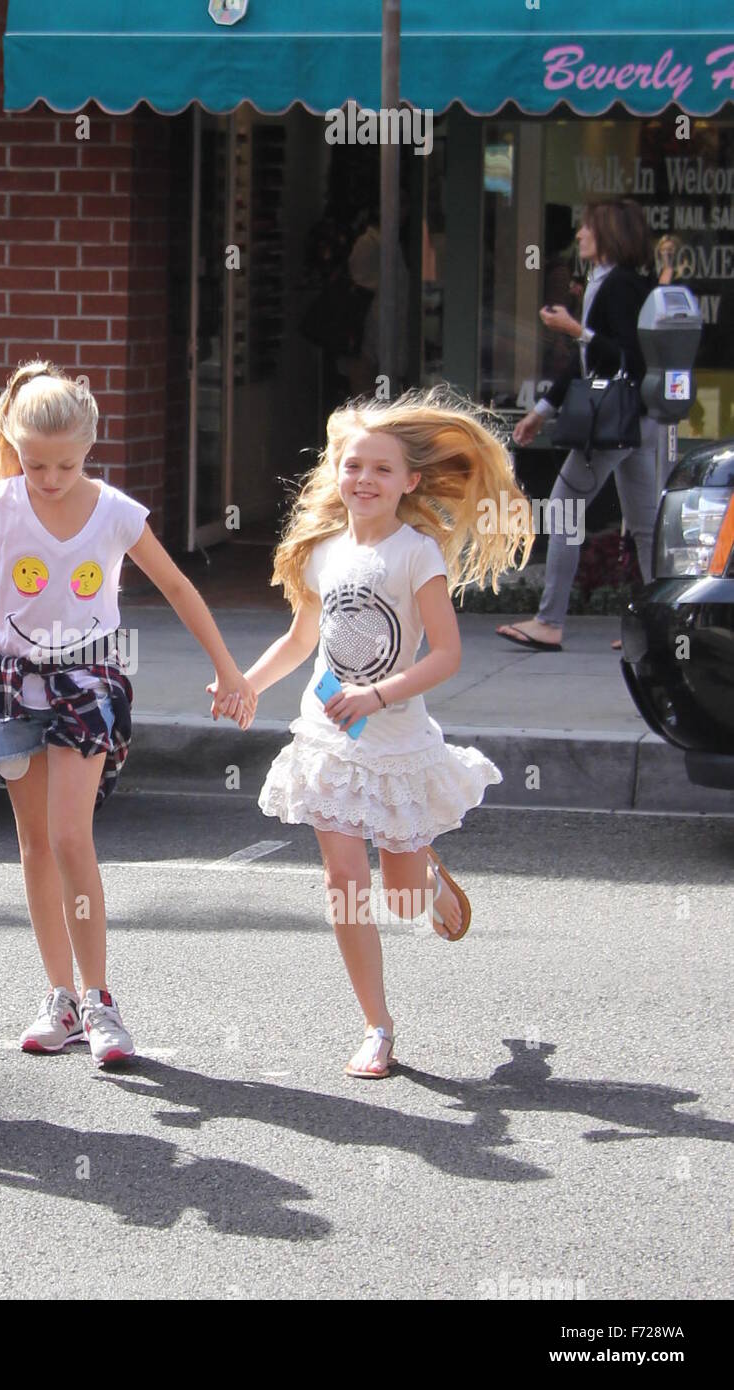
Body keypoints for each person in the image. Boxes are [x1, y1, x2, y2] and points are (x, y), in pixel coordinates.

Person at [0, 361, 256, 1067]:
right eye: (35, 464)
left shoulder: (115, 512)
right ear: (13, 445)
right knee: (34, 844)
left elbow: (177, 586)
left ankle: (100, 998)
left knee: (69, 837)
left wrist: (228, 668)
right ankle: (59, 998)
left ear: (90, 447)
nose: (50, 478)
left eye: (67, 464)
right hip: (9, 683)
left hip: (86, 681)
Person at [235, 387, 534, 1080]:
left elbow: (446, 655)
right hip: (329, 737)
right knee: (343, 882)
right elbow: (301, 639)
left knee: (399, 897)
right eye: (353, 465)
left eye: (381, 469)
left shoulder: (416, 553)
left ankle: (424, 875)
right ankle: (377, 1026)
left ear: (410, 482)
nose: (364, 479)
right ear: (336, 472)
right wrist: (248, 684)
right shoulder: (321, 551)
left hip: (396, 739)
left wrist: (377, 693)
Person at [499, 198, 658, 653]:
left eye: (587, 227)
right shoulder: (611, 283)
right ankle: (656, 628)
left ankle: (549, 621)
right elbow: (587, 362)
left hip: (614, 422)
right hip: (635, 420)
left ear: (607, 234)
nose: (579, 234)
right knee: (645, 526)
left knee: (564, 509)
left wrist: (576, 330)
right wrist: (541, 411)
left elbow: (627, 357)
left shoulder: (617, 285)